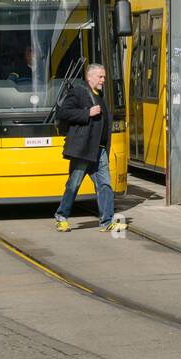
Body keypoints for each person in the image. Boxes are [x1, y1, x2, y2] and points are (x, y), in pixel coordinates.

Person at [54, 64, 123, 233]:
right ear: (89, 77)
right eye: (100, 77)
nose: (103, 80)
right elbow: (63, 113)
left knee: (105, 185)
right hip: (83, 149)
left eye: (104, 77)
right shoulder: (79, 91)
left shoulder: (101, 95)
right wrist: (87, 113)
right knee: (74, 183)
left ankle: (107, 221)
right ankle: (61, 216)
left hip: (99, 150)